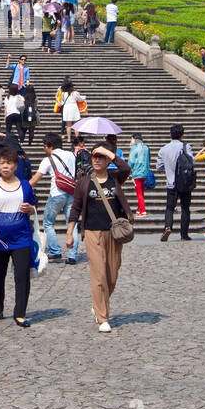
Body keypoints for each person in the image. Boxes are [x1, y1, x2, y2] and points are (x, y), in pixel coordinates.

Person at [67, 145, 132, 332]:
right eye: (94, 156)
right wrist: (70, 232)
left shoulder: (115, 178)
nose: (96, 160)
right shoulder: (84, 182)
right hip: (92, 232)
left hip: (114, 233)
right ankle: (103, 317)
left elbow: (127, 169)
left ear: (107, 160)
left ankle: (98, 304)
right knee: (99, 276)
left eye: (100, 157)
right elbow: (76, 208)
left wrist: (110, 153)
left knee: (112, 275)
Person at [0, 146, 38, 327]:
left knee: (22, 275)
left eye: (10, 163)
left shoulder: (25, 185)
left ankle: (20, 313)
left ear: (15, 165)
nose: (6, 166)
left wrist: (30, 209)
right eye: (2, 163)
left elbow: (32, 206)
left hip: (21, 236)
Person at [32, 132, 79, 263]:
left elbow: (36, 178)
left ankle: (55, 251)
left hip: (57, 193)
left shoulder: (48, 159)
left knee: (48, 223)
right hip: (72, 192)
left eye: (44, 146)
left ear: (49, 146)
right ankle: (72, 255)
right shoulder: (71, 155)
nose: (43, 149)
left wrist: (23, 187)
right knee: (72, 224)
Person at [155, 124, 193, 242]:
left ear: (170, 134)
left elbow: (159, 167)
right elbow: (191, 162)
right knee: (185, 208)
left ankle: (167, 227)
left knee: (170, 208)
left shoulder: (163, 149)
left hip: (171, 183)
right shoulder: (185, 147)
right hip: (184, 183)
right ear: (182, 134)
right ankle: (184, 235)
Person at [128, 132, 150, 216]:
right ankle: (139, 209)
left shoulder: (134, 149)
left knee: (139, 193)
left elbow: (131, 162)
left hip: (137, 173)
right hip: (144, 173)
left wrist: (128, 171)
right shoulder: (146, 148)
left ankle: (143, 210)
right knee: (141, 192)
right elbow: (148, 160)